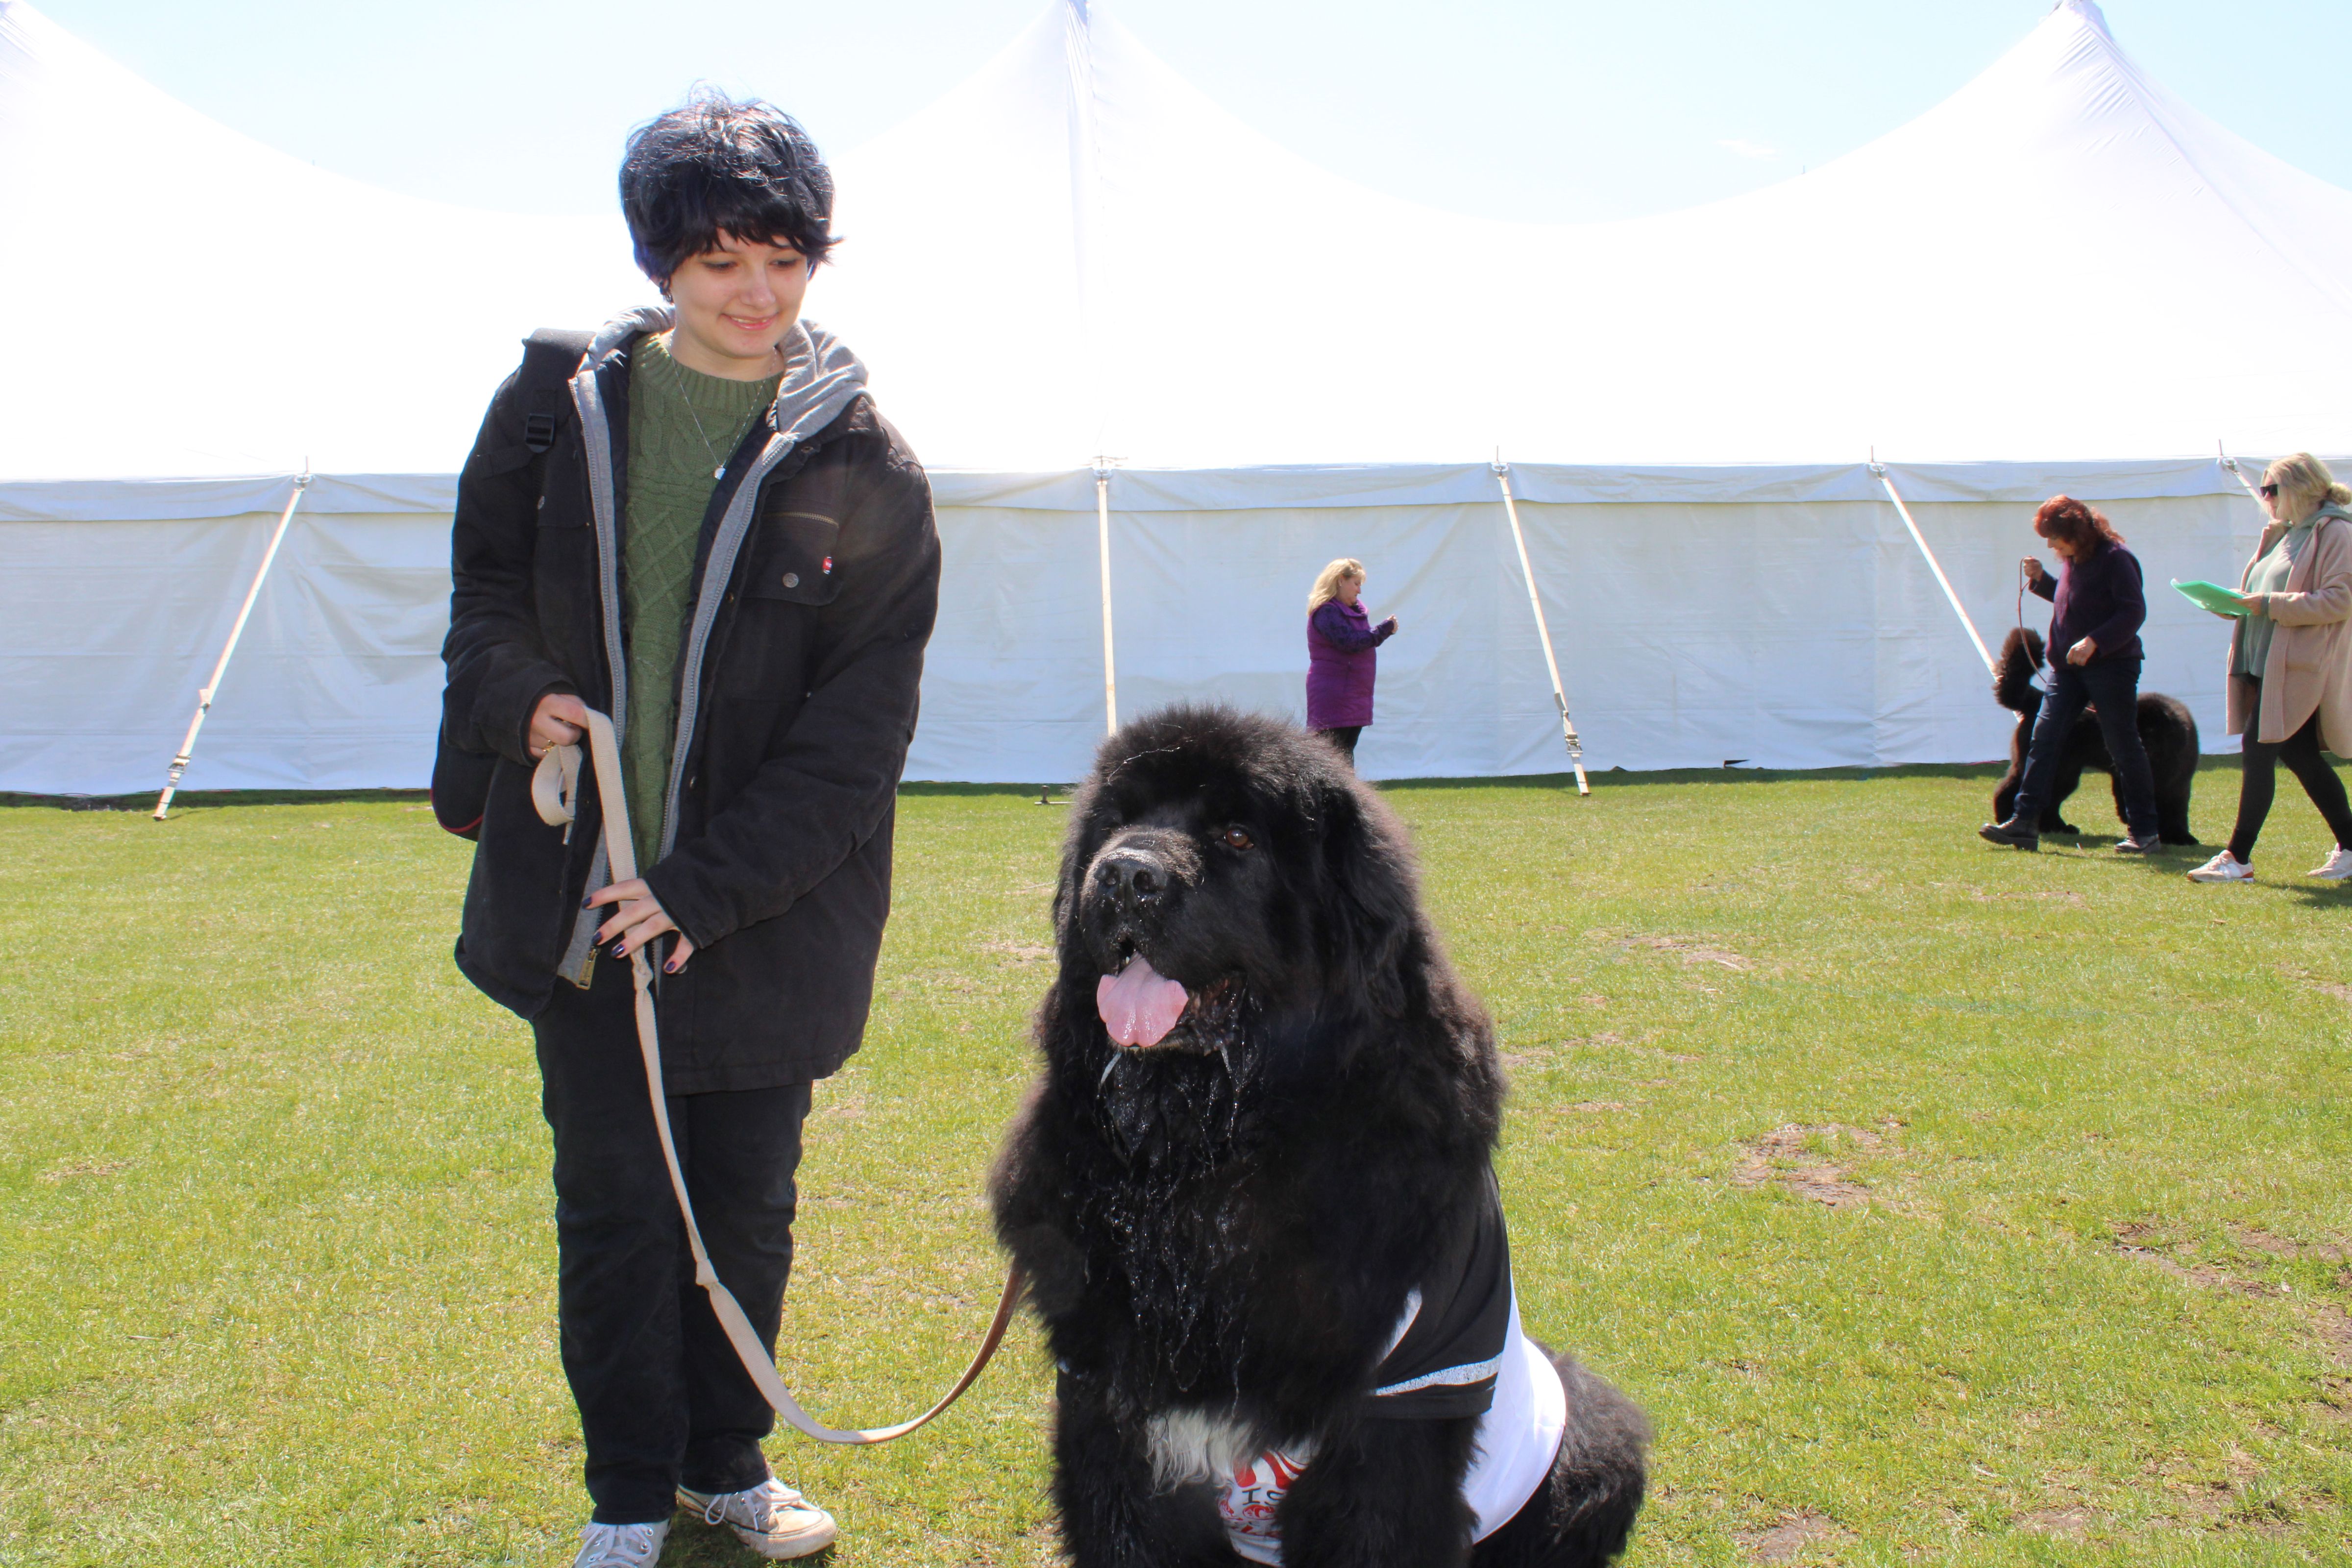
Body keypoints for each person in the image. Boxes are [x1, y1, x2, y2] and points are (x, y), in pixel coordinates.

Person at [439, 93, 940, 1567]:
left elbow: (859, 738)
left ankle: (728, 1472)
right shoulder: (551, 411)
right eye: (720, 256)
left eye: (783, 255)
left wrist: (700, 890)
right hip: (583, 909)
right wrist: (520, 689)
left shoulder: (869, 465)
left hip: (758, 919)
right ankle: (622, 1493)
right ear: (662, 259)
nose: (755, 289)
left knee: (744, 1210)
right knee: (611, 1212)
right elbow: (475, 598)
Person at [2185, 453, 2352, 884]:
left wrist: (2266, 605)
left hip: (2299, 666)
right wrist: (2235, 604)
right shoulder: (2284, 534)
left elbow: (2340, 600)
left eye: (2271, 489)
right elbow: (2260, 594)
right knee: (2300, 756)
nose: (2265, 498)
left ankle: (2237, 858)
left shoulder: (2337, 533)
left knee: (2258, 751)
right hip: (2266, 662)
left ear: (2299, 488)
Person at [1979, 496, 2161, 853]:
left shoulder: (2116, 559)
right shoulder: (2074, 560)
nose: (2051, 545)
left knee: (2123, 746)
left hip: (2111, 666)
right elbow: (2072, 602)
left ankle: (2145, 832)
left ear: (2077, 532)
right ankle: (2025, 822)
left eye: (2055, 537)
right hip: (2068, 669)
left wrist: (2095, 642)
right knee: (2043, 740)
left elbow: (2133, 612)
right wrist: (2041, 580)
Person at [1304, 557, 1398, 768]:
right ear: (1340, 580)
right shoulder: (1327, 612)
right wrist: (1383, 631)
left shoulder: (1347, 612)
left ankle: (1342, 798)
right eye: (1356, 584)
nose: (1359, 591)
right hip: (1335, 693)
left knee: (1344, 752)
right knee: (1332, 755)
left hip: (1351, 693)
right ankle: (1332, 799)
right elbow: (1349, 642)